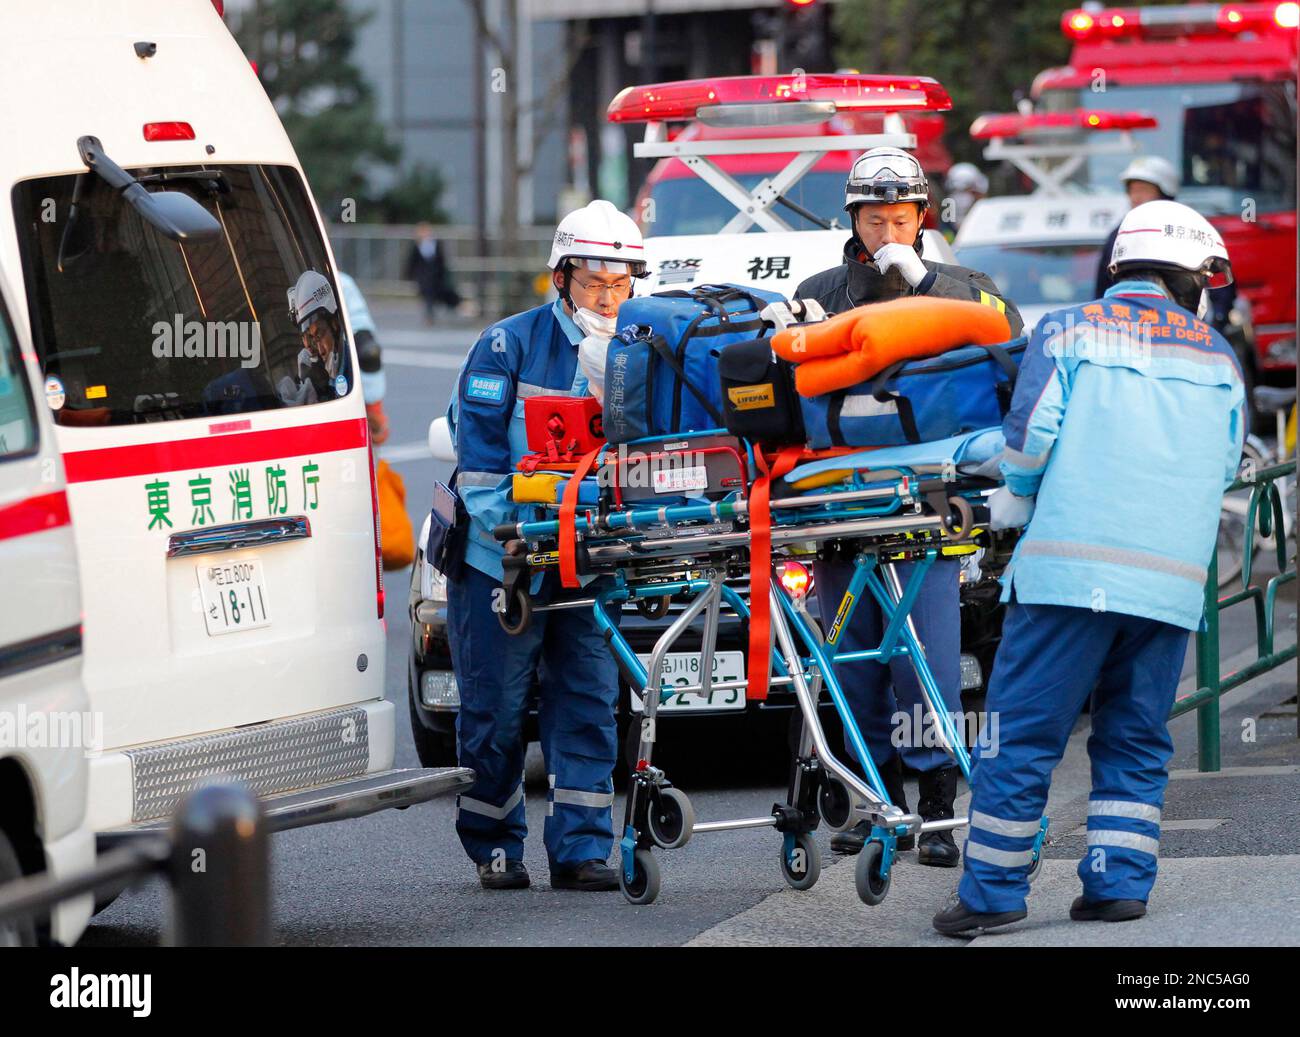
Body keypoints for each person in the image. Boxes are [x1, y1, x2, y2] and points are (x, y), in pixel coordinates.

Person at [933, 200, 1244, 935]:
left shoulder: (1068, 329)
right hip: (1170, 585)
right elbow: (1227, 464)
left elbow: (1030, 446)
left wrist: (1015, 492)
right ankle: (1117, 884)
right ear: (1186, 276)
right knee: (1135, 735)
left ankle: (992, 897)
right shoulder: (1218, 356)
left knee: (1022, 734)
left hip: (1070, 576)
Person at [795, 147, 1023, 868]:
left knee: (922, 659)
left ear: (923, 217)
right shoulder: (821, 292)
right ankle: (872, 800)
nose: (887, 229)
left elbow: (1010, 335)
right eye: (874, 217)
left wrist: (933, 286)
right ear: (852, 219)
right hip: (838, 514)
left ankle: (934, 806)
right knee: (849, 660)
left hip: (928, 514)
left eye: (901, 216)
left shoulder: (960, 287)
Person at [444, 200, 647, 891]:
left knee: (590, 700)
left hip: (591, 562)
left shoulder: (637, 354)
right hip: (501, 562)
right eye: (595, 283)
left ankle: (584, 847)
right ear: (560, 279)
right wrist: (530, 528)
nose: (608, 299)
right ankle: (495, 843)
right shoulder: (507, 346)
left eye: (621, 285)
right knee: (497, 710)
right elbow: (478, 468)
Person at [280, 270, 350, 405]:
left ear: (334, 325)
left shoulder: (351, 366)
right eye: (307, 337)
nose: (318, 349)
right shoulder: (317, 371)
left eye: (319, 335)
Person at [405, 222, 461, 324]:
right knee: (428, 297)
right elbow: (412, 262)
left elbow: (441, 260)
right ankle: (429, 316)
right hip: (423, 278)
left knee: (441, 295)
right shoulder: (417, 246)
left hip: (437, 276)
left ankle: (448, 310)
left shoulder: (436, 243)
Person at [941, 161, 989, 237]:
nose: (962, 198)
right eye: (956, 191)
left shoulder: (990, 220)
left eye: (967, 190)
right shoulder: (946, 224)